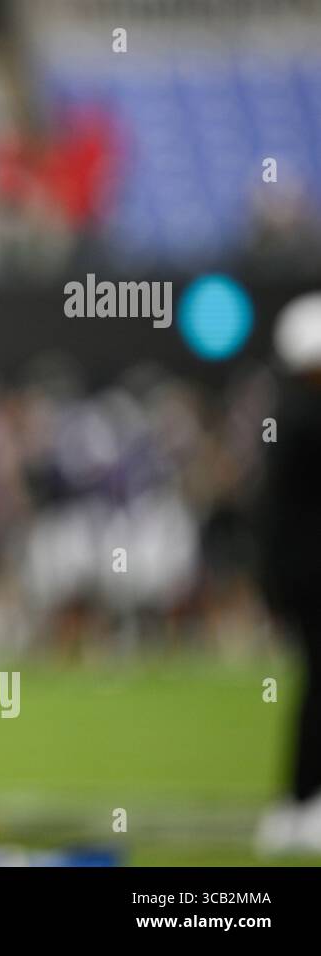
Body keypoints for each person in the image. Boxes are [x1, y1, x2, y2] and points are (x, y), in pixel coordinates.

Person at [255, 292, 321, 855]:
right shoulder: (303, 417)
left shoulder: (284, 413)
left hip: (294, 576)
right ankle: (302, 801)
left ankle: (300, 801)